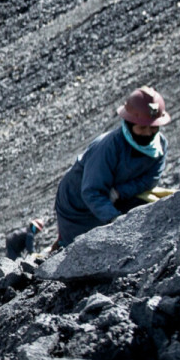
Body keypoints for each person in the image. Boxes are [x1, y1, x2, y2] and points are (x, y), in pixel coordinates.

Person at [53, 87, 172, 248]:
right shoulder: (108, 147)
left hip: (112, 196)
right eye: (142, 128)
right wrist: (115, 219)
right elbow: (92, 191)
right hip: (77, 205)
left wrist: (119, 192)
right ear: (129, 124)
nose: (148, 133)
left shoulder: (159, 146)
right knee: (82, 249)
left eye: (153, 128)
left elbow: (150, 180)